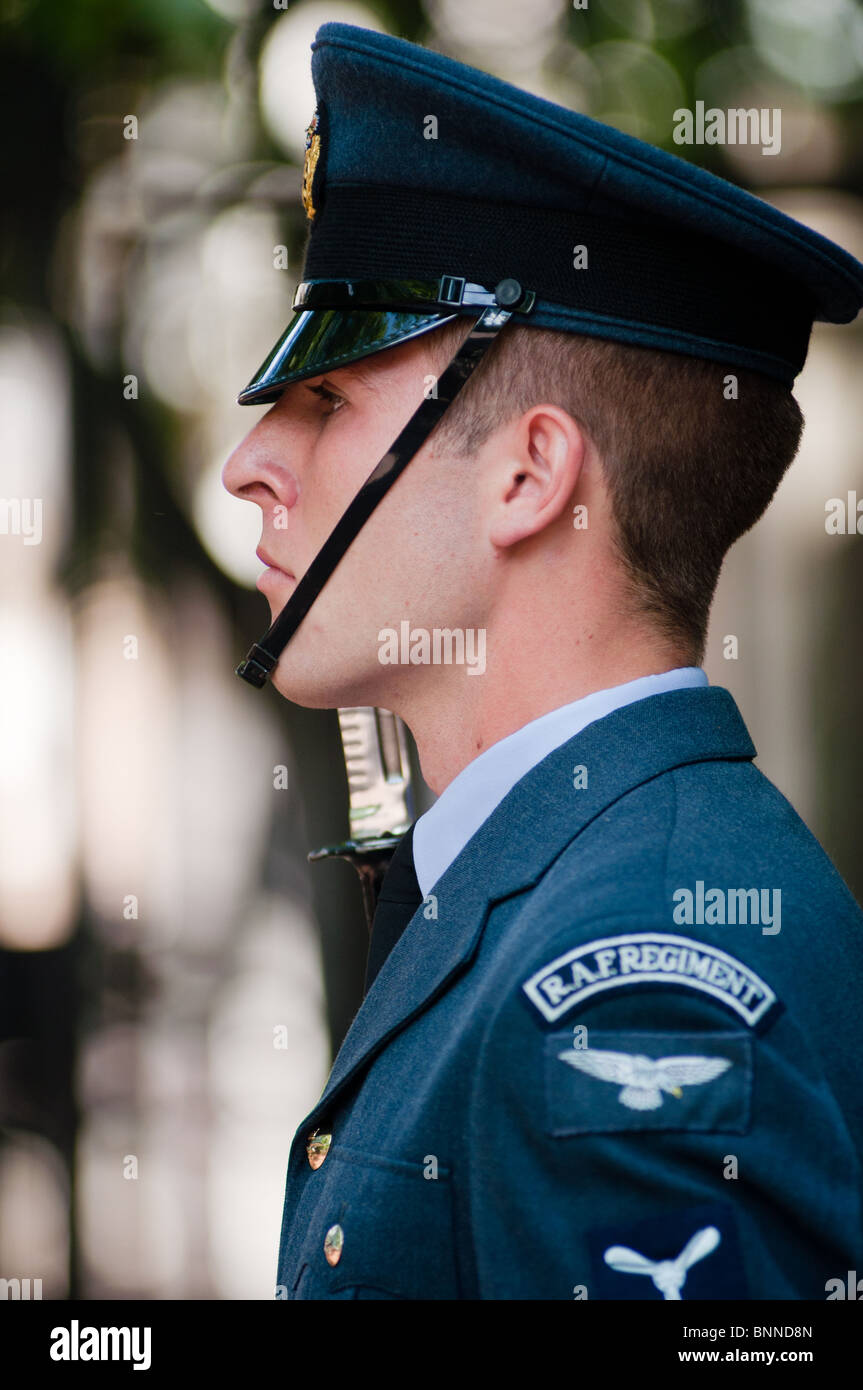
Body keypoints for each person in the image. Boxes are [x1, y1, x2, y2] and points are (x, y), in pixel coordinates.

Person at [222, 22, 863, 1299]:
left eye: (328, 401)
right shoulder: (586, 883)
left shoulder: (630, 992)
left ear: (528, 475)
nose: (250, 465)